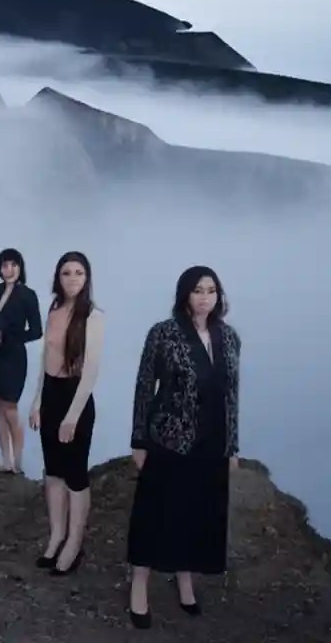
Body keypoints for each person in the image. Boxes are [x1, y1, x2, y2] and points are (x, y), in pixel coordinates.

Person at [126, 265, 241, 629]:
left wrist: (232, 445)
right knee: (153, 513)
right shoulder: (163, 334)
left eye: (211, 290)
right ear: (184, 295)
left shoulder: (230, 337)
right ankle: (139, 583)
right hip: (169, 439)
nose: (205, 297)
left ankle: (185, 577)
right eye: (197, 290)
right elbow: (145, 387)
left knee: (199, 513)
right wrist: (139, 441)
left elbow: (232, 395)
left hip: (212, 442)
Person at [28, 251, 105, 577]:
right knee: (53, 471)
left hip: (77, 399)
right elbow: (46, 357)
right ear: (58, 278)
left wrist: (72, 417)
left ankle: (74, 541)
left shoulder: (93, 316)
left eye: (78, 273)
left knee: (74, 474)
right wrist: (36, 402)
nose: (72, 279)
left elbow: (90, 371)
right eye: (66, 273)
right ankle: (57, 534)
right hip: (51, 395)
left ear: (87, 278)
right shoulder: (54, 309)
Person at [0, 248, 43, 474]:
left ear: (20, 267)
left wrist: (11, 338)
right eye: (5, 265)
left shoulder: (28, 295)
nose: (9, 269)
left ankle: (18, 460)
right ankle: (5, 458)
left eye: (13, 265)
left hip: (13, 356)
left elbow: (36, 331)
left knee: (10, 407)